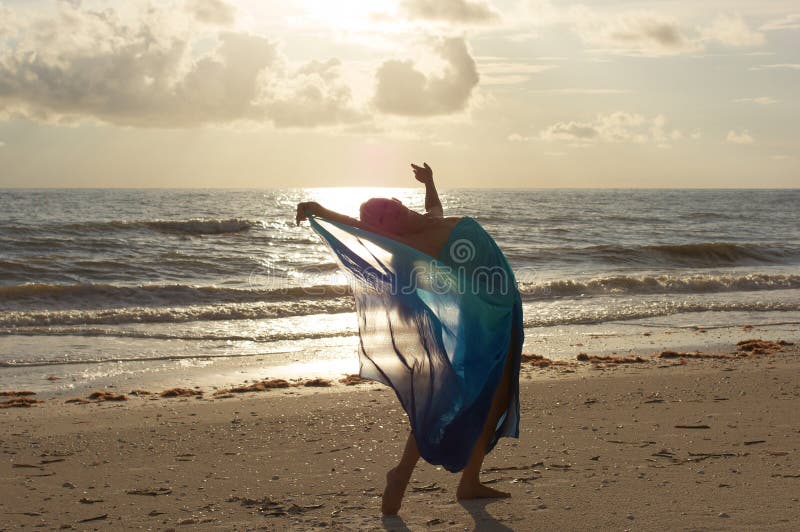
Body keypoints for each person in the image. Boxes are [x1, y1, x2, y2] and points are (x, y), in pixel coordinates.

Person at [296, 163, 523, 515]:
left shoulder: (427, 223)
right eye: (387, 214)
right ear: (388, 232)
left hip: (503, 306)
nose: (395, 207)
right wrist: (322, 211)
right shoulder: (413, 241)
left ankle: (469, 480)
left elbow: (435, 210)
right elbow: (361, 229)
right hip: (485, 318)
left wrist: (430, 182)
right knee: (453, 399)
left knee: (499, 394)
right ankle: (400, 475)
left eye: (391, 203)